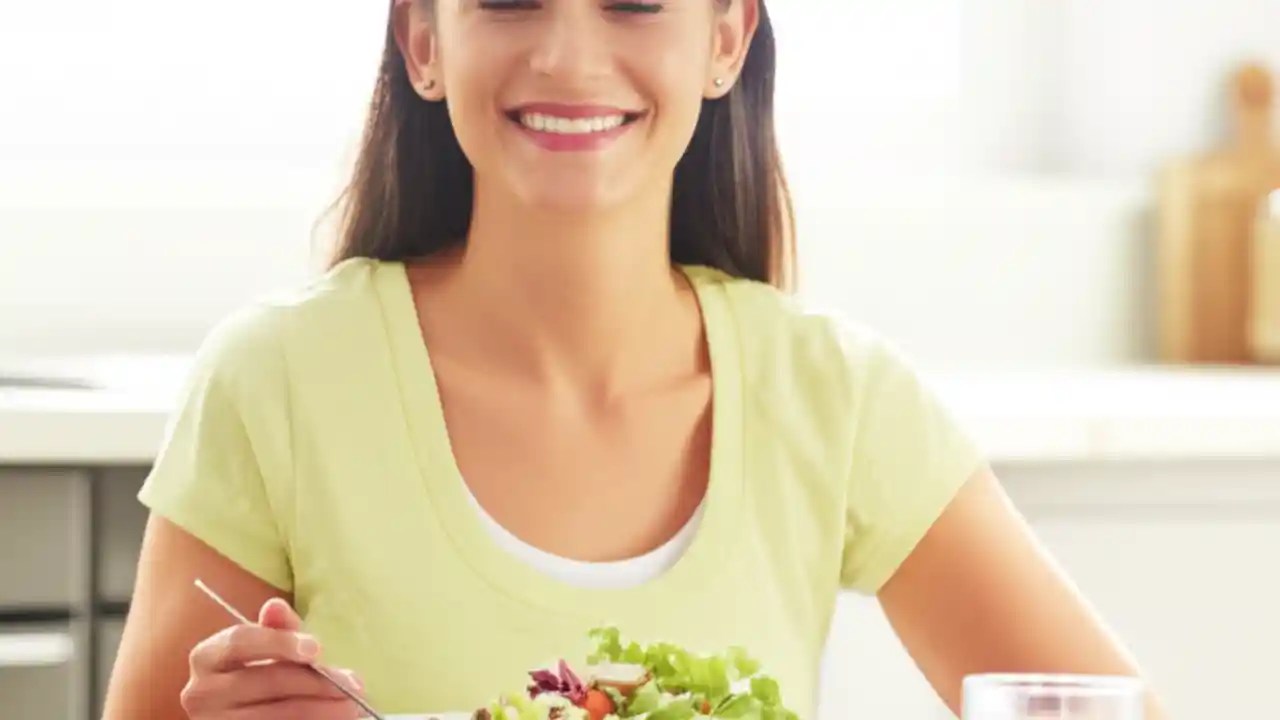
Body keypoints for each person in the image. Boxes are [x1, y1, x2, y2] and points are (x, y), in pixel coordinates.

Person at [103, 1, 1167, 718]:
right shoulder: (278, 384)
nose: (568, 57)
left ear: (725, 36)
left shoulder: (834, 398)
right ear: (422, 38)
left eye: (634, 1)